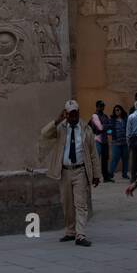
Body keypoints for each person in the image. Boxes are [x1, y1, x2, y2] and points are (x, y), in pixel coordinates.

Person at [41, 100, 100, 246]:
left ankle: (80, 234)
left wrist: (96, 174)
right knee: (67, 203)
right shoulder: (60, 128)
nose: (73, 116)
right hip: (65, 171)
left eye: (75, 113)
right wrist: (57, 120)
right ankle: (70, 231)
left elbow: (93, 154)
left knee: (81, 204)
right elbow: (44, 134)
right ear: (66, 114)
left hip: (80, 170)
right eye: (70, 113)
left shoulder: (86, 129)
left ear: (78, 112)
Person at [90, 100, 112, 182]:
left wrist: (107, 127)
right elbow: (100, 128)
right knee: (96, 160)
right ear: (97, 106)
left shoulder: (105, 116)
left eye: (103, 106)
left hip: (105, 140)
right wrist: (107, 126)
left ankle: (106, 177)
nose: (102, 107)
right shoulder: (94, 116)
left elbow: (110, 128)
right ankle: (94, 177)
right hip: (97, 140)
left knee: (105, 160)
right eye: (100, 106)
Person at [108, 104, 129, 180]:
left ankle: (125, 174)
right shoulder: (112, 120)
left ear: (121, 110)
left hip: (125, 143)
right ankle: (111, 173)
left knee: (125, 158)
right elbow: (109, 129)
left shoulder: (125, 119)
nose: (117, 111)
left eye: (118, 110)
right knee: (114, 158)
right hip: (116, 143)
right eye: (115, 110)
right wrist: (110, 132)